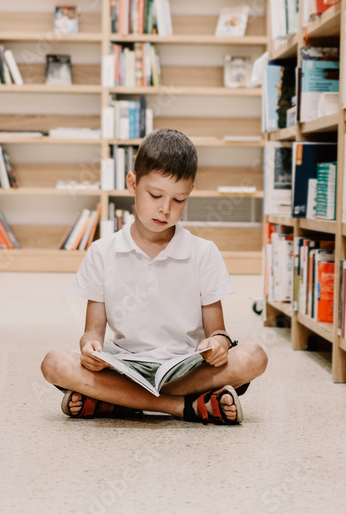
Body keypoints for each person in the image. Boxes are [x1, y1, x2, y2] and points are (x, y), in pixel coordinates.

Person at [41, 129, 268, 424]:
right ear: (132, 183)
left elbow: (218, 331)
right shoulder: (102, 252)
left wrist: (220, 346)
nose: (165, 209)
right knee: (54, 363)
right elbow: (92, 332)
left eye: (179, 200)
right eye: (156, 195)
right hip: (124, 368)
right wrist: (89, 348)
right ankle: (183, 407)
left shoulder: (204, 253)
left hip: (184, 370)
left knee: (254, 356)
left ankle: (115, 401)